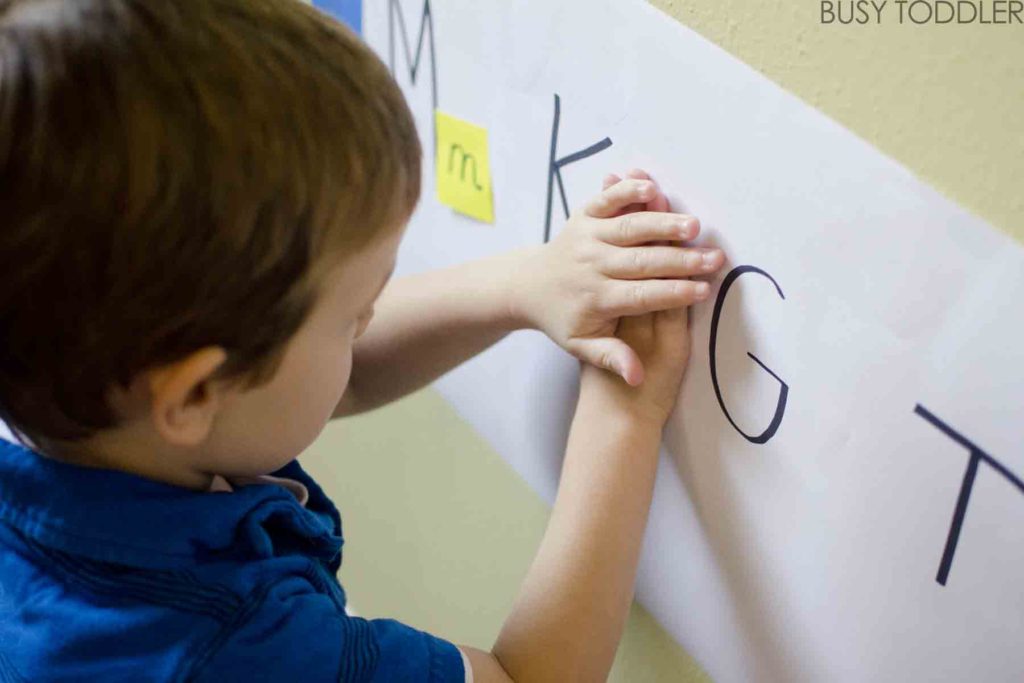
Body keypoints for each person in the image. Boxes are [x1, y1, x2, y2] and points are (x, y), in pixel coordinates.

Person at [0, 0, 726, 680]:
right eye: (353, 316)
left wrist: (529, 282)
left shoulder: (65, 385)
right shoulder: (239, 645)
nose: (370, 323)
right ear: (192, 391)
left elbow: (327, 379)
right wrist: (622, 411)